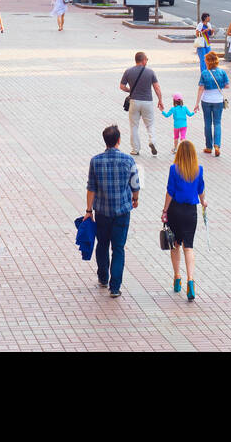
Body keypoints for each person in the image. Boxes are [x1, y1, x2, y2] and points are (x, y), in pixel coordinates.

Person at [84, 125, 140, 298]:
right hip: (122, 211)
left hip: (102, 211)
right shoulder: (128, 160)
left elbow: (91, 188)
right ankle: (115, 287)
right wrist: (135, 199)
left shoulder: (95, 161)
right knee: (118, 248)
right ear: (118, 140)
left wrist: (88, 210)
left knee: (102, 244)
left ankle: (103, 277)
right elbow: (135, 184)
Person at [162, 140, 207, 301]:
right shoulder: (198, 169)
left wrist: (165, 210)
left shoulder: (174, 169)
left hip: (175, 210)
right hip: (190, 212)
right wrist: (203, 202)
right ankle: (190, 280)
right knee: (189, 247)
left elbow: (170, 191)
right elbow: (200, 189)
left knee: (176, 245)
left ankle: (176, 277)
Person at [120, 51, 164, 157]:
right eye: (147, 59)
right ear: (143, 60)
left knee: (134, 126)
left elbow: (122, 86)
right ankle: (152, 141)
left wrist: (130, 90)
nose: (147, 61)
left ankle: (135, 149)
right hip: (147, 102)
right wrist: (160, 100)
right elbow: (157, 87)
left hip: (134, 102)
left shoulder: (128, 71)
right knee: (150, 124)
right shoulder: (150, 72)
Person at [194, 51, 229, 157]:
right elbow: (227, 86)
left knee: (208, 124)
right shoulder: (222, 72)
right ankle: (217, 145)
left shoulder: (204, 73)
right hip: (218, 100)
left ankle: (209, 147)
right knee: (217, 123)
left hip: (206, 101)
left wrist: (197, 103)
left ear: (208, 62)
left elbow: (201, 88)